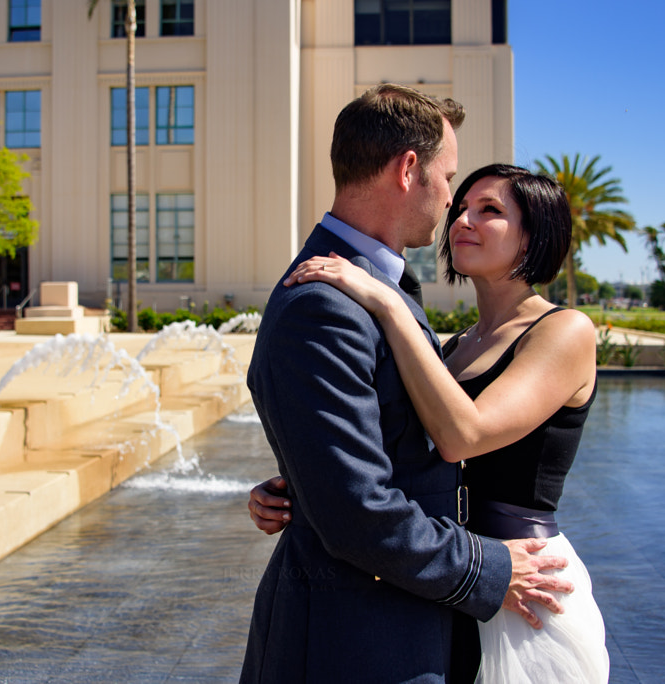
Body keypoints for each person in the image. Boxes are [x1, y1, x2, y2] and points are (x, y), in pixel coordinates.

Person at [240, 85, 573, 684]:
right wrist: (485, 570)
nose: (453, 207)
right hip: (358, 642)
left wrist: (306, 481)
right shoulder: (329, 302)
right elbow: (358, 511)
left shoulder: (377, 291)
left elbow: (394, 451)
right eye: (450, 181)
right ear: (408, 170)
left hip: (424, 614)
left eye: (487, 209)